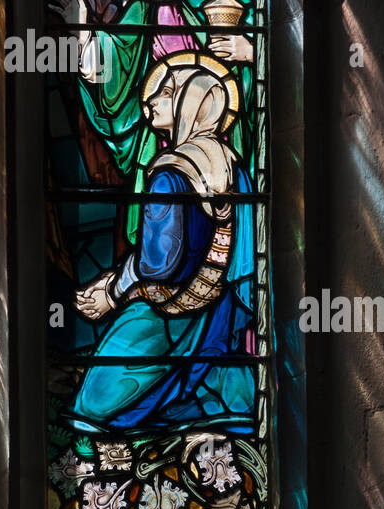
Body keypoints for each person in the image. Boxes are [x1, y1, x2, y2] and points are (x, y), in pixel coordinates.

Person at [49, 0, 254, 240]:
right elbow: (113, 72)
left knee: (220, 220)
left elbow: (271, 54)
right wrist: (82, 27)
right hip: (161, 134)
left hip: (219, 128)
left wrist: (249, 51)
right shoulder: (141, 3)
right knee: (161, 223)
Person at [67, 60, 255, 434]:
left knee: (91, 405)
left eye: (167, 93)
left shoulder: (171, 174)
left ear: (191, 104)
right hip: (220, 313)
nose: (151, 100)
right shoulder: (234, 167)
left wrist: (113, 293)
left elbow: (158, 265)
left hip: (168, 313)